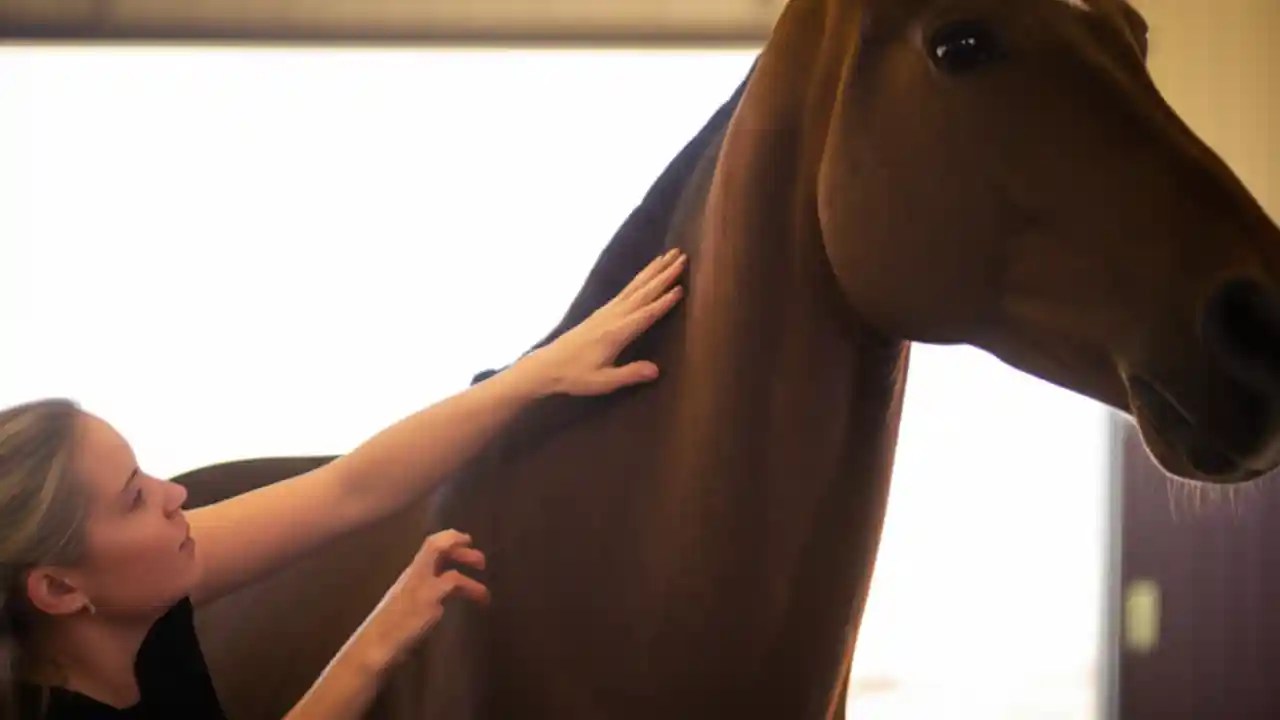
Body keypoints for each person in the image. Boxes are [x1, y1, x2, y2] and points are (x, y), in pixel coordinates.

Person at [0, 249, 689, 719]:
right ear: (59, 589)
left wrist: (540, 373)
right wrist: (383, 636)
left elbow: (350, 488)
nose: (176, 495)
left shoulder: (146, 589)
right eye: (134, 498)